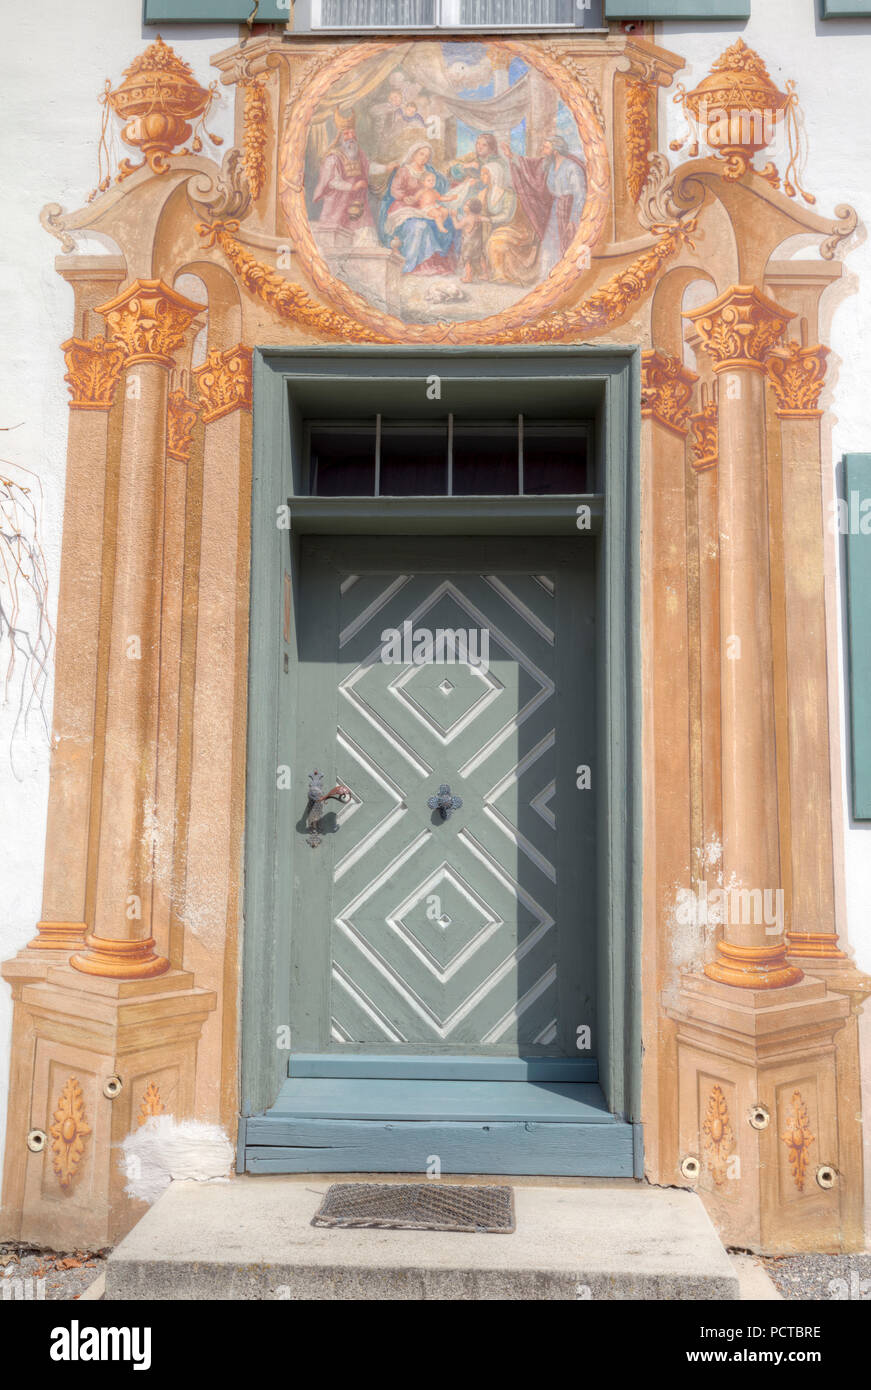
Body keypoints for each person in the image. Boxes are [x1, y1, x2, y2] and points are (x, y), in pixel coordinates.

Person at [503, 134, 587, 275]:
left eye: (546, 147)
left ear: (555, 151)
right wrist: (511, 156)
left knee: (571, 244)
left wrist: (574, 219)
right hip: (555, 209)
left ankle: (571, 277)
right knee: (549, 245)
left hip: (570, 209)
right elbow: (529, 166)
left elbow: (580, 195)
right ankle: (550, 278)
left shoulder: (572, 167)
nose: (542, 149)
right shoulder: (549, 164)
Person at [379, 143, 459, 275]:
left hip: (425, 208)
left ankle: (431, 262)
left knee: (448, 221)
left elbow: (438, 188)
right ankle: (412, 264)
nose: (424, 158)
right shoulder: (404, 170)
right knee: (418, 226)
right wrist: (405, 197)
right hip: (405, 207)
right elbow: (395, 190)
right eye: (421, 154)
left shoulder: (429, 172)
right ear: (414, 154)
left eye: (427, 156)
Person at [312, 113, 375, 232]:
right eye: (346, 134)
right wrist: (352, 186)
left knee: (365, 232)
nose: (351, 137)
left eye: (352, 133)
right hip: (338, 202)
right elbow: (332, 181)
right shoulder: (333, 157)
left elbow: (369, 166)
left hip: (358, 202)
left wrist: (386, 168)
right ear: (340, 137)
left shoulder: (360, 154)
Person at [481, 160, 539, 285]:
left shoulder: (508, 194)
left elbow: (507, 216)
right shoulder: (487, 193)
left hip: (517, 227)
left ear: (494, 175)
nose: (482, 177)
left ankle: (502, 274)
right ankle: (492, 272)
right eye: (482, 174)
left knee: (496, 241)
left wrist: (488, 219)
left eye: (485, 174)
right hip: (499, 227)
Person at [454, 197, 487, 282]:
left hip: (468, 244)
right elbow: (487, 220)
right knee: (481, 258)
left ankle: (468, 277)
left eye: (466, 205)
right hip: (478, 243)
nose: (464, 206)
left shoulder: (466, 219)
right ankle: (485, 274)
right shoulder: (479, 217)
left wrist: (454, 217)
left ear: (471, 208)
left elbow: (457, 226)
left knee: (467, 260)